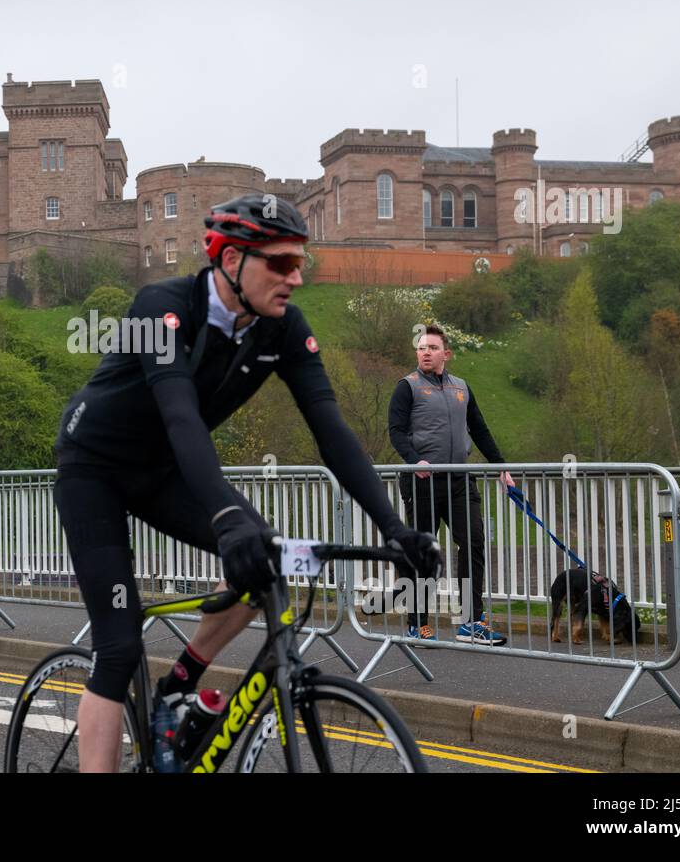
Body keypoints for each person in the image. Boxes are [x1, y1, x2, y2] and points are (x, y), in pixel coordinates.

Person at [53, 194, 441, 772]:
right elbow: (180, 415)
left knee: (271, 558)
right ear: (232, 259)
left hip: (162, 470)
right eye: (282, 263)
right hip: (95, 469)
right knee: (119, 647)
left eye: (300, 262)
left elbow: (331, 431)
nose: (297, 278)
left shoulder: (282, 328)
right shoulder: (161, 307)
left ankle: (176, 687)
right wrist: (225, 518)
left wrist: (394, 527)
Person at [387, 323, 514, 645]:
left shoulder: (461, 387)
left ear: (446, 353)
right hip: (423, 481)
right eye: (420, 348)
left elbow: (480, 430)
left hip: (460, 480)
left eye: (431, 348)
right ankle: (418, 623)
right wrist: (415, 460)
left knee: (473, 543)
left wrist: (501, 467)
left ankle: (471, 622)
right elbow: (397, 431)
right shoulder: (408, 386)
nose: (425, 353)